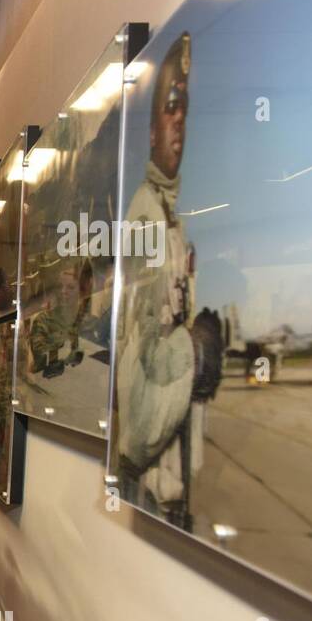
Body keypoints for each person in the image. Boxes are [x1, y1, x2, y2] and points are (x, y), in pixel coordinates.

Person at [116, 32, 222, 531]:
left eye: (185, 106)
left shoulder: (166, 216)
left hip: (166, 482)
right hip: (149, 480)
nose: (179, 117)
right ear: (153, 132)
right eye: (169, 105)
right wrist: (195, 353)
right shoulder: (146, 219)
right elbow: (145, 372)